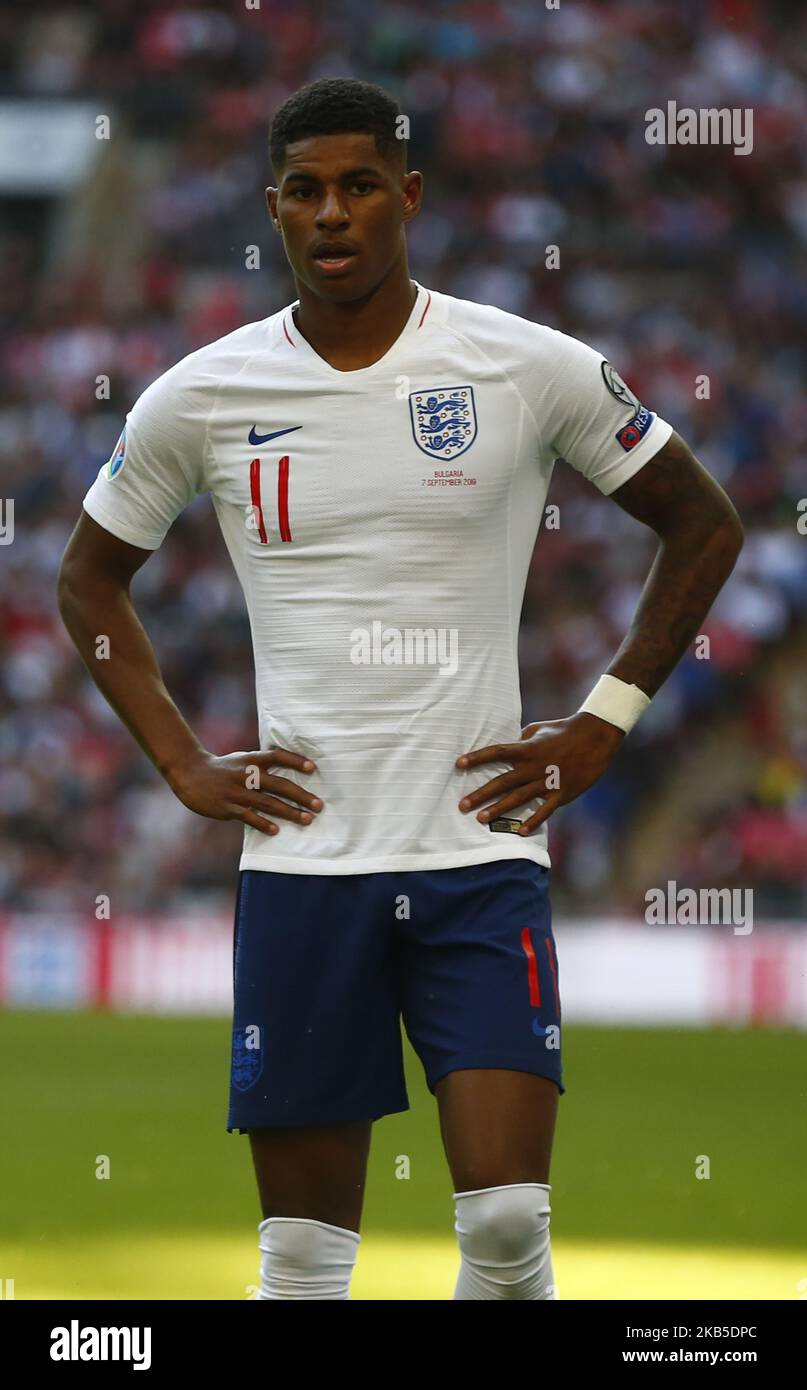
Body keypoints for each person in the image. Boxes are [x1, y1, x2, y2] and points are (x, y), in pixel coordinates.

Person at [57, 77, 744, 1300]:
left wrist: (607, 720)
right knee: (308, 1260)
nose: (334, 214)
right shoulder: (205, 394)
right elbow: (87, 584)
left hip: (478, 856)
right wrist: (181, 762)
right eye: (307, 191)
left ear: (408, 197)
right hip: (305, 866)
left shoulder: (524, 365)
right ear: (273, 208)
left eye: (360, 186)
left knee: (504, 1228)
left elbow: (703, 522)